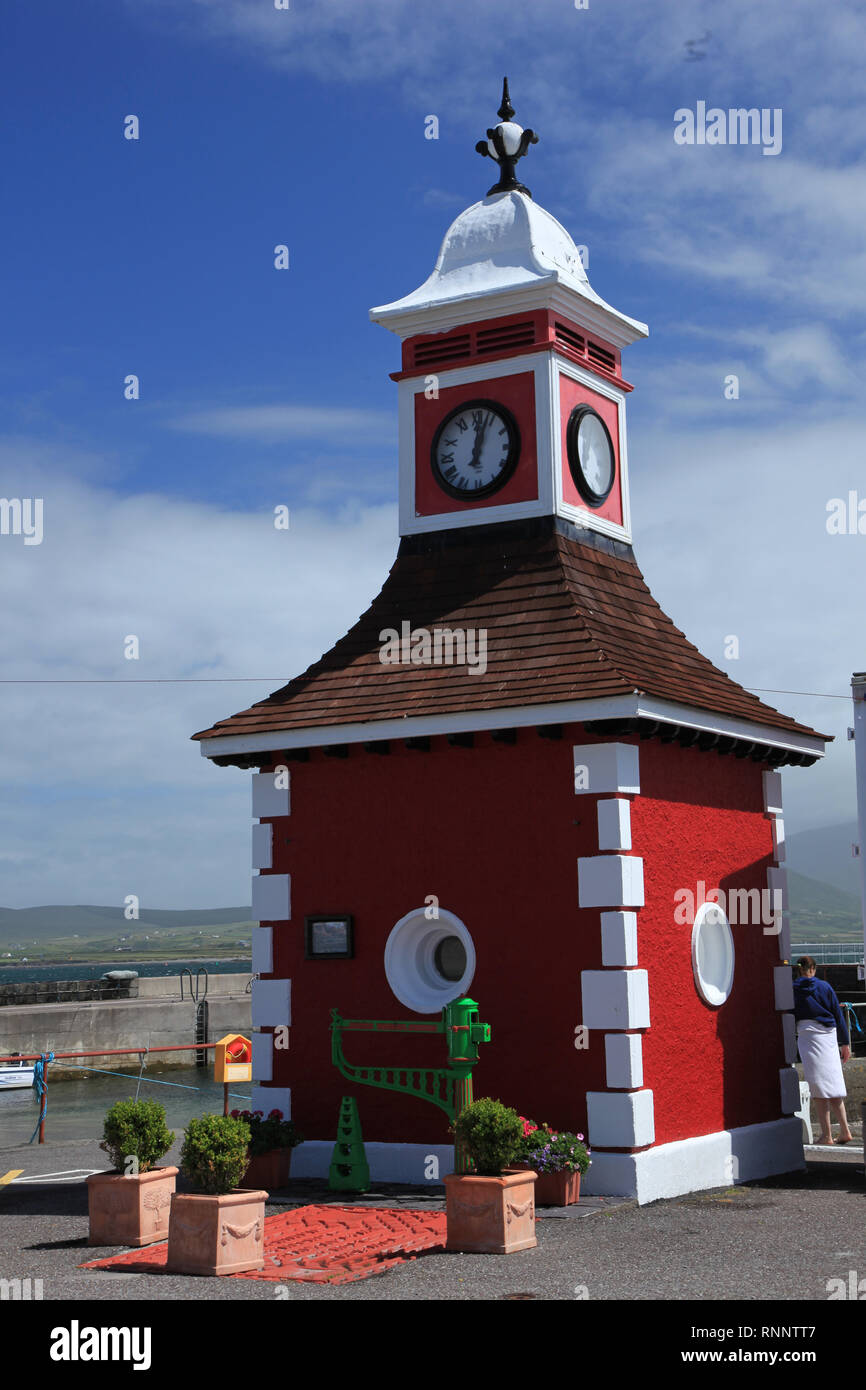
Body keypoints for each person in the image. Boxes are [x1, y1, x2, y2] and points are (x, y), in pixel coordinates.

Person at [793, 956, 852, 1145]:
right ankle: (844, 1130)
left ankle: (826, 1135)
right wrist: (845, 1043)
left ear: (798, 969)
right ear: (814, 969)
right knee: (834, 1085)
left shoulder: (793, 989)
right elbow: (837, 1013)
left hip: (809, 1037)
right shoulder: (825, 987)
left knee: (818, 1088)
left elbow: (789, 1013)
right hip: (829, 1037)